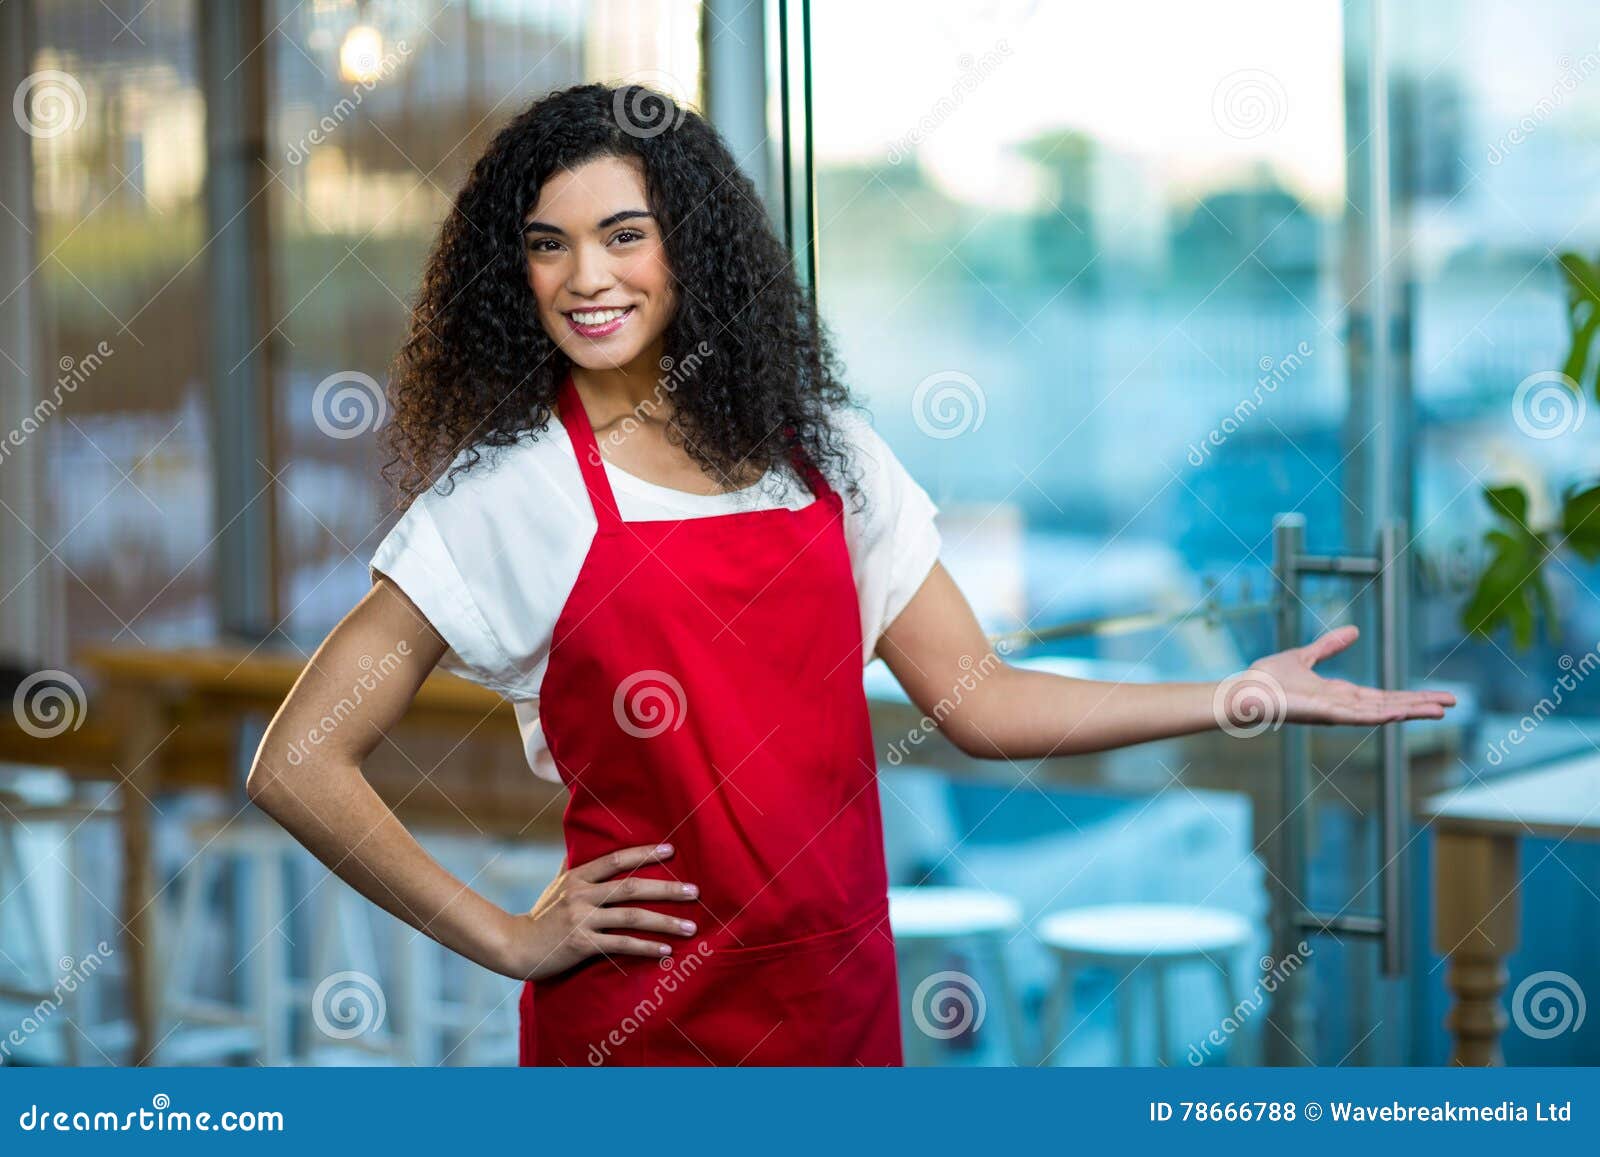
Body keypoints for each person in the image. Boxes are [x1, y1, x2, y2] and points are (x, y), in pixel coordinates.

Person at [246, 82, 1457, 1067]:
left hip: (841, 1014)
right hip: (634, 1035)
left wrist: (1235, 691)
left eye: (625, 234)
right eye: (547, 246)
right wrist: (506, 936)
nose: (587, 278)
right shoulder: (514, 494)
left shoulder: (827, 458)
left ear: (693, 249)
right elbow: (298, 759)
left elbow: (978, 698)